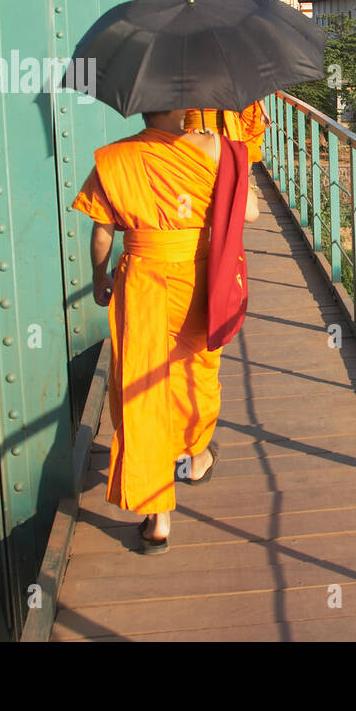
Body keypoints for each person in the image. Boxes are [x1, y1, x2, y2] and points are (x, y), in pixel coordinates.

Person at [72, 108, 259, 553]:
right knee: (196, 370)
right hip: (199, 278)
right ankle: (194, 457)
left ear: (139, 106)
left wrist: (100, 278)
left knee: (144, 385)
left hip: (141, 282)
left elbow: (102, 235)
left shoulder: (115, 158)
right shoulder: (219, 150)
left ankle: (158, 517)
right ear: (185, 108)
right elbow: (248, 213)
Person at [185, 101, 268, 172]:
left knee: (247, 147)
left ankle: (243, 178)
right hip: (211, 119)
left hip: (239, 110)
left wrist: (263, 109)